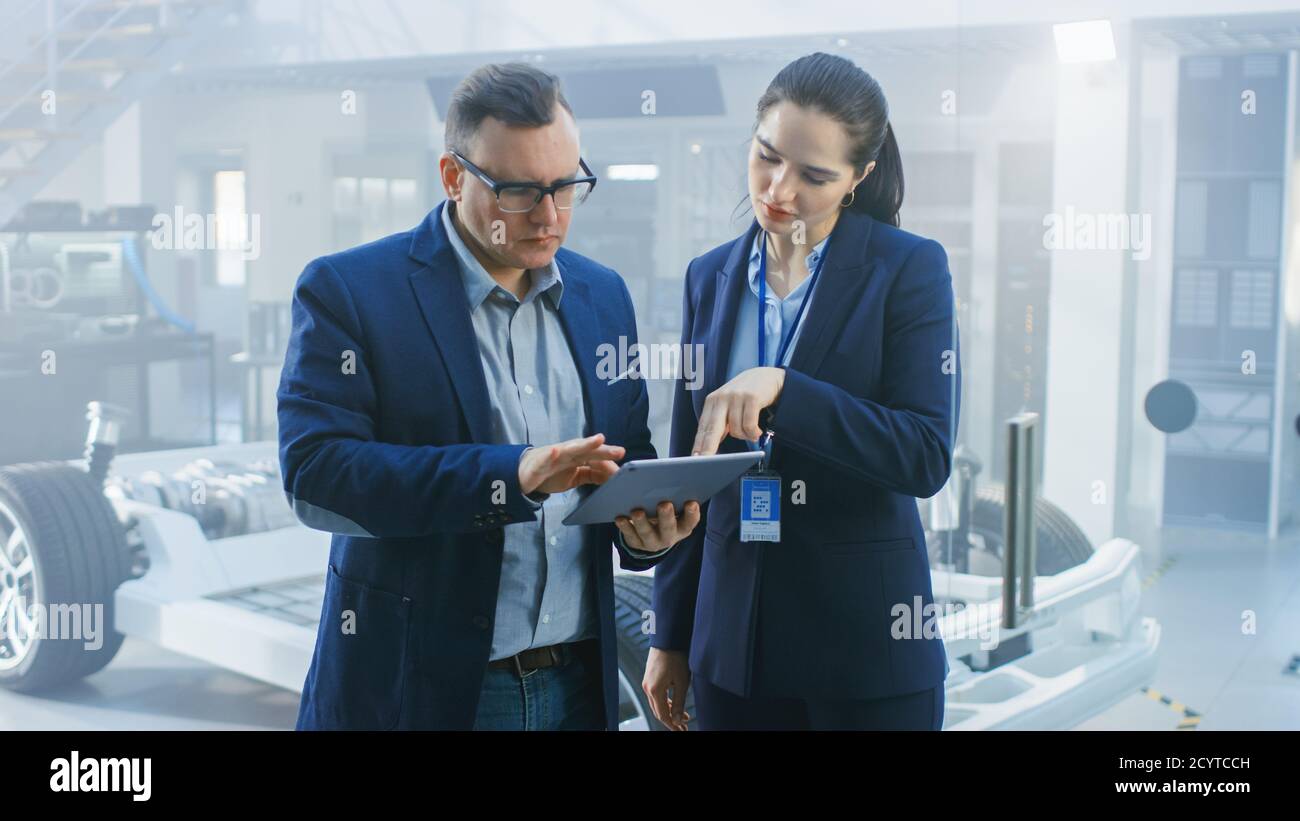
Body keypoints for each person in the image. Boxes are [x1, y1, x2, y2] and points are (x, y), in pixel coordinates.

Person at [278, 62, 700, 731]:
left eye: (566, 186)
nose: (549, 216)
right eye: (519, 192)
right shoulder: (351, 292)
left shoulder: (603, 296)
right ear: (453, 177)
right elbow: (316, 475)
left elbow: (626, 457)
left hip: (579, 684)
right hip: (429, 689)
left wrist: (648, 532)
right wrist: (512, 475)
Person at [644, 52, 960, 731]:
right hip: (732, 656)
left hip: (864, 658)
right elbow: (687, 467)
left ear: (859, 178)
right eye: (766, 156)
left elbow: (925, 453)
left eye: (814, 175)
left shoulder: (908, 270)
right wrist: (670, 634)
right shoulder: (711, 276)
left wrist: (787, 387)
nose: (779, 189)